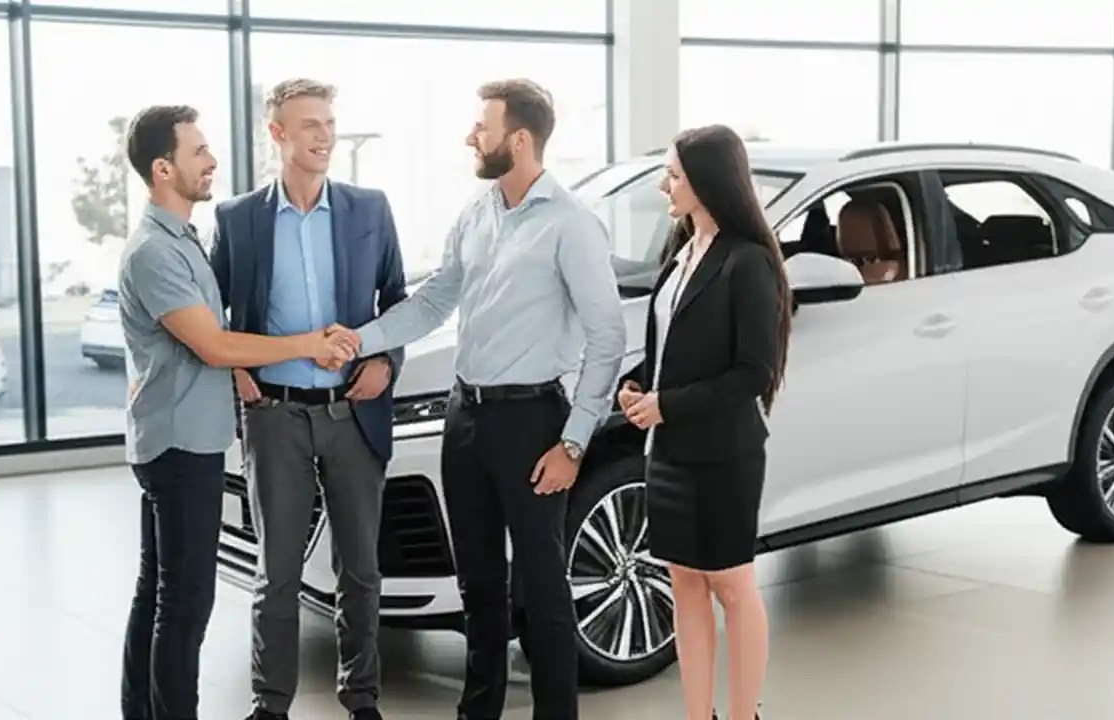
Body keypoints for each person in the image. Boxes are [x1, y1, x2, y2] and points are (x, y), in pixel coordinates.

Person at [330, 78, 626, 720]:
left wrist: (574, 441)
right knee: (479, 584)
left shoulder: (571, 224)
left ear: (518, 139)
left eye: (482, 127)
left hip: (534, 420)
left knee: (542, 586)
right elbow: (437, 300)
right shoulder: (477, 211)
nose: (472, 136)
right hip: (464, 417)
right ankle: (479, 713)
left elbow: (609, 338)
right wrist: (361, 341)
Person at [117, 105, 355, 720]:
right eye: (198, 152)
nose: (211, 160)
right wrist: (306, 344)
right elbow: (216, 344)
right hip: (179, 445)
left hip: (178, 439)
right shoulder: (154, 252)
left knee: (158, 593)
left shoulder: (182, 237)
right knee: (185, 604)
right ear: (163, 168)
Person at [208, 79, 407, 720]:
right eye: (310, 125)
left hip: (354, 410)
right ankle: (271, 704)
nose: (324, 136)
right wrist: (235, 375)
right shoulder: (238, 219)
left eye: (329, 122)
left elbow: (397, 301)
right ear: (278, 134)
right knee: (278, 572)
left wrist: (384, 360)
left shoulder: (369, 209)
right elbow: (213, 315)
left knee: (361, 569)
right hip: (275, 413)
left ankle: (363, 698)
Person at [617, 124, 791, 720]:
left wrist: (668, 404)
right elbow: (671, 344)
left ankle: (744, 715)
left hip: (724, 453)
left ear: (706, 181)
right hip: (667, 452)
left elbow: (752, 374)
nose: (665, 185)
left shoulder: (749, 264)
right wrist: (639, 383)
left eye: (674, 175)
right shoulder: (680, 251)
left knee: (731, 585)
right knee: (685, 584)